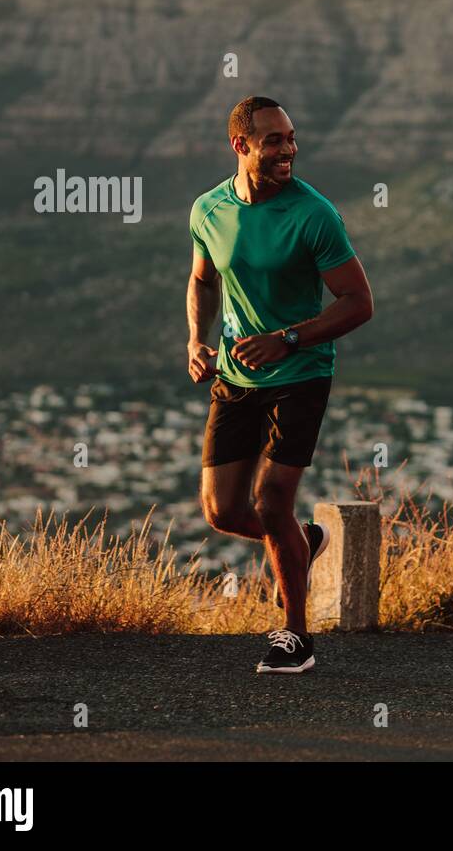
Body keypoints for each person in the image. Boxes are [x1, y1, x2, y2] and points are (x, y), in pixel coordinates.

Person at [186, 96, 373, 674]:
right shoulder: (208, 210)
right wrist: (196, 339)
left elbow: (359, 303)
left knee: (271, 504)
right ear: (240, 145)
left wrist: (289, 339)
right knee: (221, 511)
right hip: (237, 377)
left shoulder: (314, 214)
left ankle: (296, 636)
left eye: (292, 137)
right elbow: (202, 280)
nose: (289, 149)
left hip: (301, 372)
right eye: (274, 140)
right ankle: (304, 541)